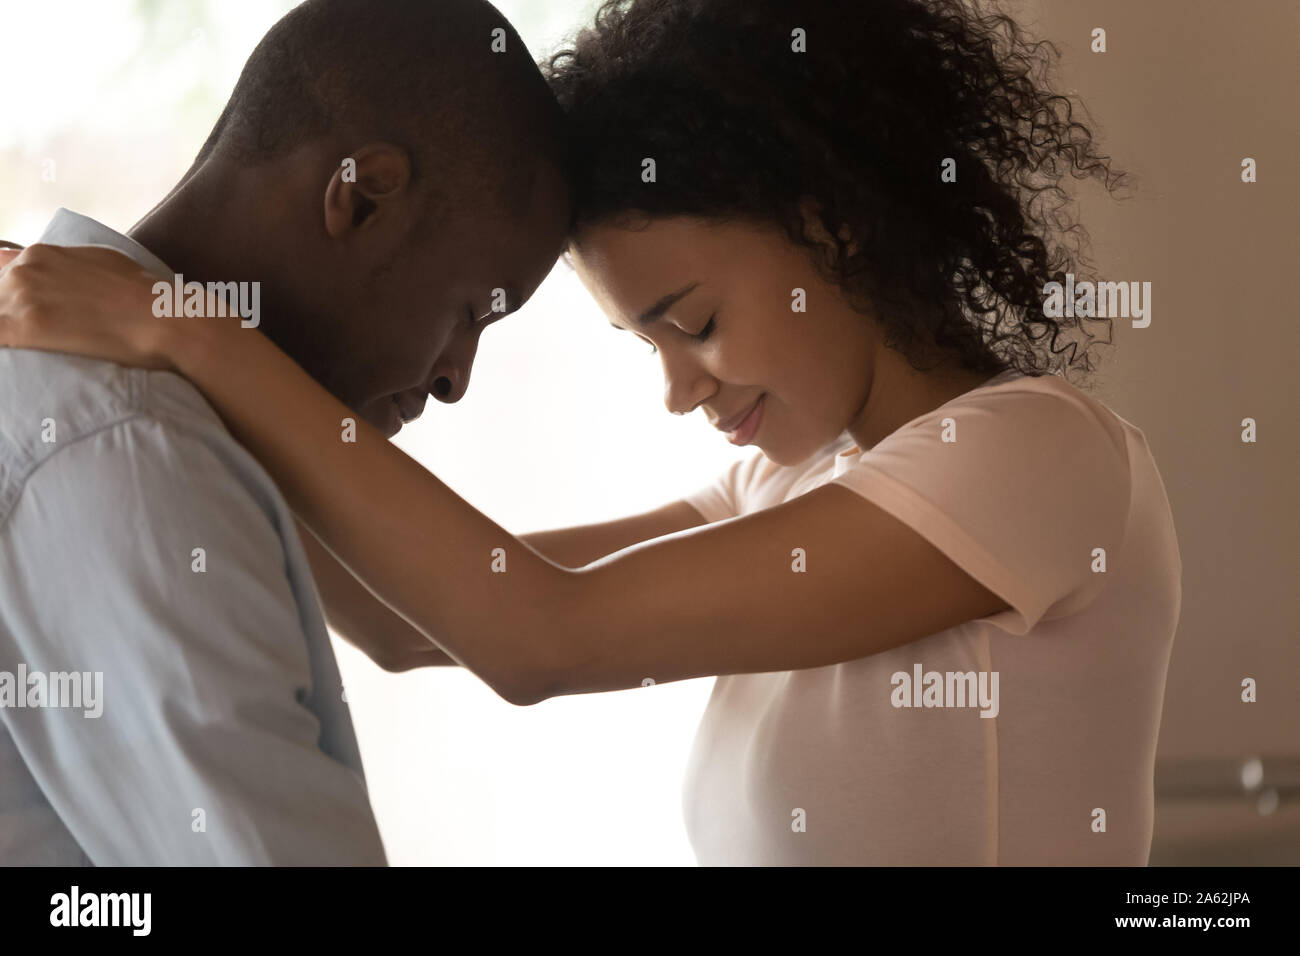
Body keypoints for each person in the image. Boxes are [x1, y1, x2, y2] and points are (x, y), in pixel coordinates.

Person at [0, 0, 1182, 866]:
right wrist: (161, 405)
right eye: (646, 344)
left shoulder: (1038, 454)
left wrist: (190, 333)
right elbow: (418, 624)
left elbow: (536, 634)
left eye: (695, 323)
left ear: (834, 228)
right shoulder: (776, 491)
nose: (679, 391)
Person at [0, 0, 570, 864]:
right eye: (470, 311)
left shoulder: (103, 403)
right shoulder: (134, 445)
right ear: (363, 197)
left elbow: (432, 622)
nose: (456, 378)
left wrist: (193, 333)